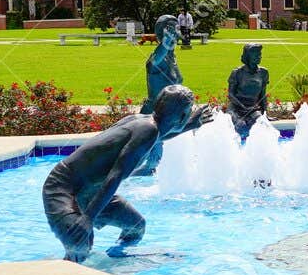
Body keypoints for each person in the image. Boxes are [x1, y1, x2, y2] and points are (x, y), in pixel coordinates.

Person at [42, 86, 211, 261]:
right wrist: (88, 218)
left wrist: (187, 125)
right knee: (79, 245)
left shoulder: (143, 122)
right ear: (182, 115)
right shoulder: (148, 131)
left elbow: (159, 136)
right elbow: (115, 176)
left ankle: (114, 260)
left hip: (90, 190)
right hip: (63, 188)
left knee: (136, 226)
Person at [226, 43, 269, 136]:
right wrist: (243, 107)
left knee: (263, 126)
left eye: (260, 54)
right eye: (256, 54)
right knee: (241, 127)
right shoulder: (237, 72)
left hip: (252, 109)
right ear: (248, 56)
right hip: (236, 108)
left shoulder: (263, 72)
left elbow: (263, 95)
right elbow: (231, 94)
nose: (259, 56)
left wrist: (265, 114)